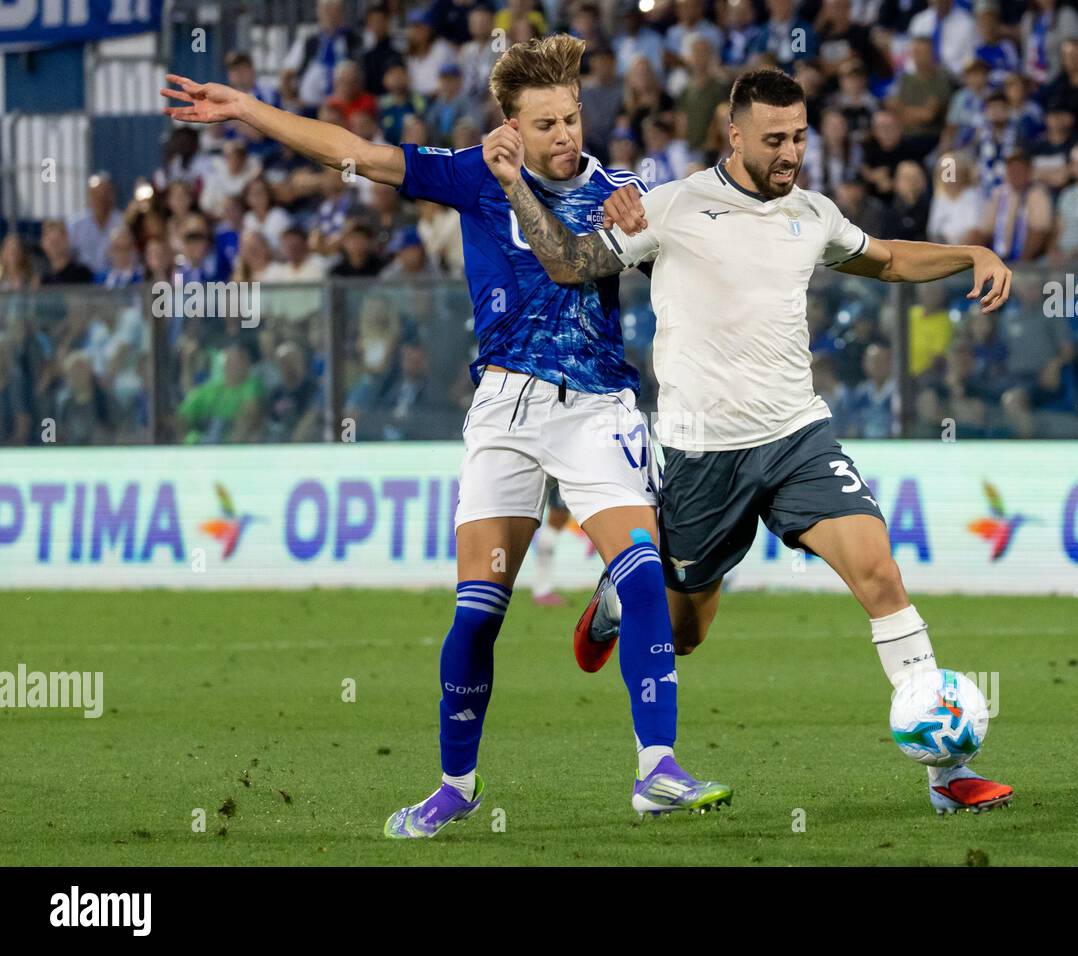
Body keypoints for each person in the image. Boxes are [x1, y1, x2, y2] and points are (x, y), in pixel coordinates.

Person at [163, 33, 730, 836]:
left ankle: (657, 769)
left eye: (572, 118)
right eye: (548, 124)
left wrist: (648, 230)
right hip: (503, 411)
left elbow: (666, 248)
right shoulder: (472, 175)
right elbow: (354, 152)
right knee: (477, 613)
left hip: (599, 408)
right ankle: (455, 786)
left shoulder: (622, 190)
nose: (566, 135)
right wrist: (248, 109)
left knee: (641, 577)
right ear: (512, 128)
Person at [497, 68, 1015, 815]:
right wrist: (525, 187)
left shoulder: (812, 213)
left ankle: (947, 777)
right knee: (683, 636)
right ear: (733, 136)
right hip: (703, 454)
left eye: (800, 136)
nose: (791, 152)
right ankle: (617, 602)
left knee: (879, 573)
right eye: (775, 139)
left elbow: (890, 259)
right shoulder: (671, 208)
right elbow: (570, 264)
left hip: (798, 436)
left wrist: (970, 252)